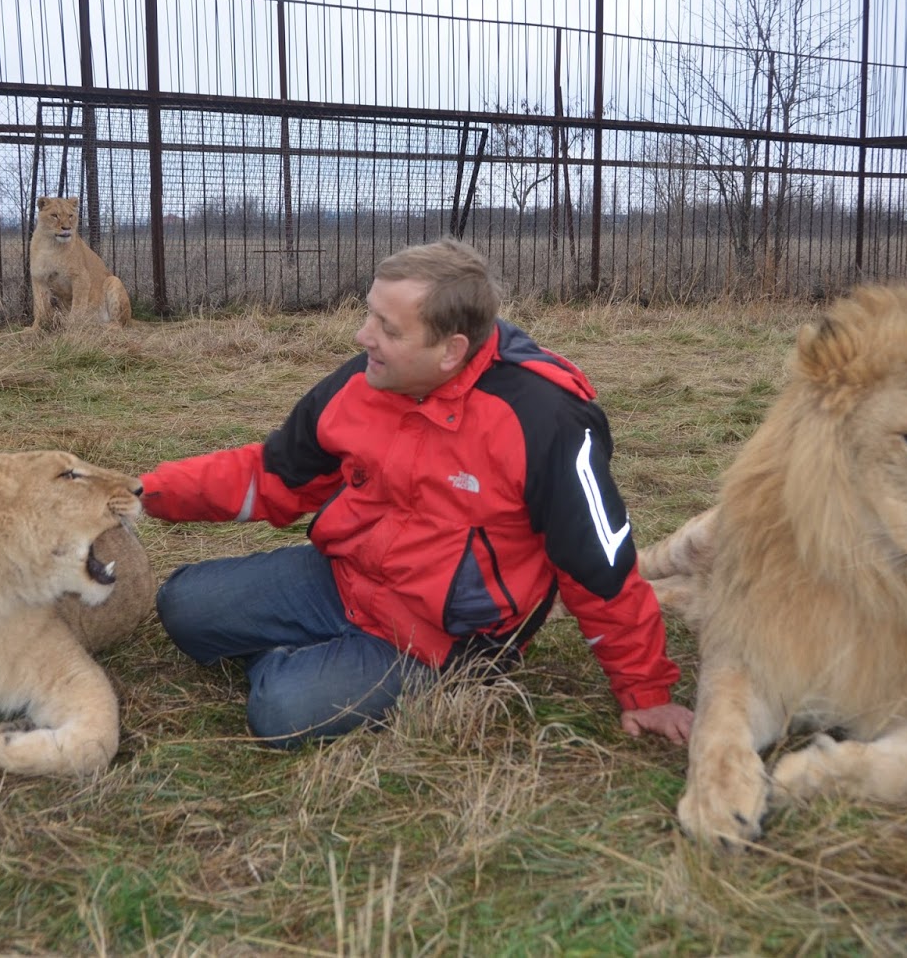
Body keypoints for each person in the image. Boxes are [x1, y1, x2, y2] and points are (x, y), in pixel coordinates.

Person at [141, 237, 692, 749]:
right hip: (345, 579)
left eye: (388, 328)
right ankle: (318, 653)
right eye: (369, 316)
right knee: (182, 604)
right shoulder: (365, 381)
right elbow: (275, 475)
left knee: (278, 710)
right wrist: (143, 491)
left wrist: (647, 692)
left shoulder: (544, 421)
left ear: (450, 350)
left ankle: (314, 666)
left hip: (443, 639)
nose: (363, 337)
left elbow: (600, 567)